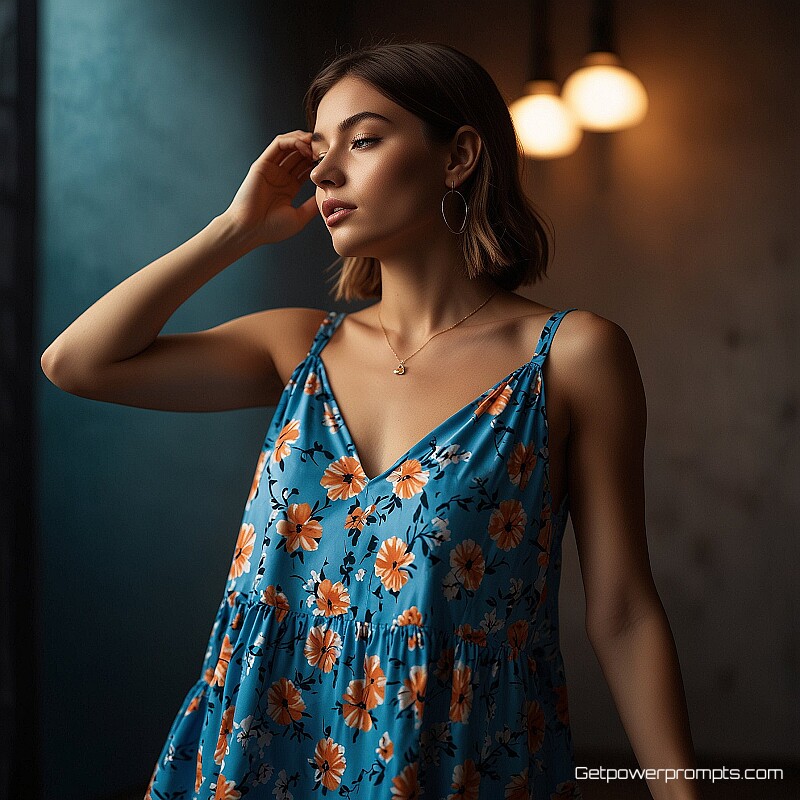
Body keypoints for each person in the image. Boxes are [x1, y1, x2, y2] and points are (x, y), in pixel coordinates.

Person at [41, 40, 700, 800]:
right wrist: (234, 229)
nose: (323, 172)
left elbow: (622, 613)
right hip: (258, 753)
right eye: (318, 149)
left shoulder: (570, 356)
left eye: (361, 140)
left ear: (458, 156)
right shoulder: (299, 347)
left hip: (455, 757)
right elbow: (77, 363)